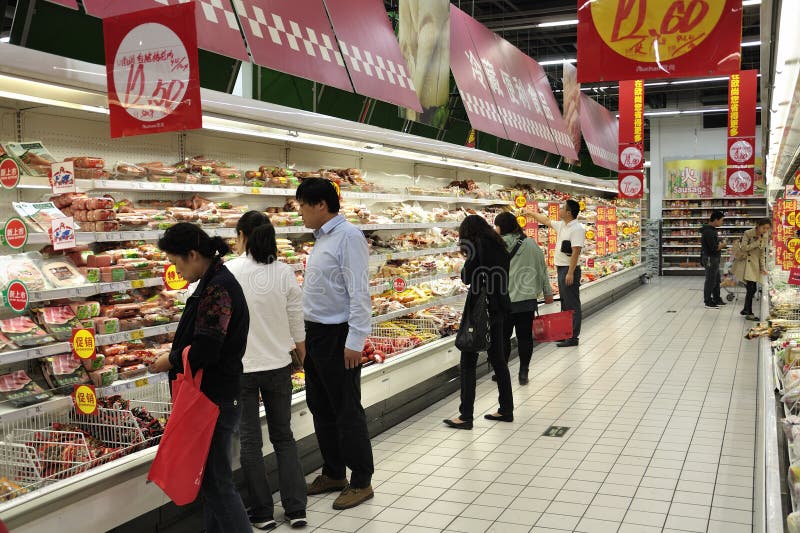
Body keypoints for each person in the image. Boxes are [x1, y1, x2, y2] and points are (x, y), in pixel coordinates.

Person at [149, 223, 251, 533]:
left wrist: (170, 358)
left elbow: (207, 348)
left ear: (192, 254)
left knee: (216, 484)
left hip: (214, 398)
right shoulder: (213, 281)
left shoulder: (217, 287)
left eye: (176, 261)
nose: (175, 269)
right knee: (210, 481)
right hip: (216, 395)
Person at [295, 178, 374, 510]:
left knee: (346, 411)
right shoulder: (322, 239)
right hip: (314, 335)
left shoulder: (349, 238)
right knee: (320, 406)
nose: (298, 212)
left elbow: (359, 293)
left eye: (301, 205)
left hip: (337, 335)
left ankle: (361, 481)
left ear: (320, 205)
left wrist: (355, 340)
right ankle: (334, 472)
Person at [226, 211, 307, 531]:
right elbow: (296, 324)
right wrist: (304, 358)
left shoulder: (229, 271)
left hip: (241, 369)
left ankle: (261, 513)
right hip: (278, 366)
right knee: (284, 437)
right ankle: (296, 508)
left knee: (250, 443)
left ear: (243, 235)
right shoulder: (284, 272)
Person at [444, 214, 513, 430]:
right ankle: (506, 409)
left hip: (480, 311)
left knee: (468, 361)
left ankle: (465, 416)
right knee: (499, 360)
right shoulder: (498, 244)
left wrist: (463, 264)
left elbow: (467, 276)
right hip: (499, 307)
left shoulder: (478, 247)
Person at [494, 212, 554, 385]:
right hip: (527, 300)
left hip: (504, 300)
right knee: (525, 337)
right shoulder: (531, 244)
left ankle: (502, 372)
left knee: (503, 338)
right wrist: (547, 292)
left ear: (501, 227)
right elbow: (542, 268)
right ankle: (523, 372)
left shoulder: (497, 245)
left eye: (496, 226)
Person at [530, 199, 586, 347]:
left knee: (572, 303)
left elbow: (576, 252)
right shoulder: (563, 225)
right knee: (565, 302)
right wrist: (531, 213)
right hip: (561, 267)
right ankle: (565, 333)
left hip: (569, 269)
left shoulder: (577, 229)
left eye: (562, 208)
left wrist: (570, 273)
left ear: (568, 212)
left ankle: (573, 337)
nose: (559, 210)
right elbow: (547, 220)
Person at [732, 218, 771, 320]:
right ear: (758, 225)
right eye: (764, 227)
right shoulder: (748, 233)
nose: (765, 230)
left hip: (755, 265)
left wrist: (763, 267)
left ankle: (746, 309)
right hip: (746, 264)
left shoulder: (765, 236)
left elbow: (762, 253)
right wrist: (757, 242)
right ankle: (748, 312)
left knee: (751, 288)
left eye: (767, 228)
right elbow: (744, 248)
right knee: (751, 288)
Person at [701, 210, 726, 309]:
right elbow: (714, 248)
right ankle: (708, 301)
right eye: (721, 220)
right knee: (710, 280)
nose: (722, 222)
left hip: (713, 258)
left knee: (716, 279)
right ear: (715, 219)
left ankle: (716, 298)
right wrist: (722, 245)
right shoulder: (708, 231)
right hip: (710, 259)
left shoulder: (711, 230)